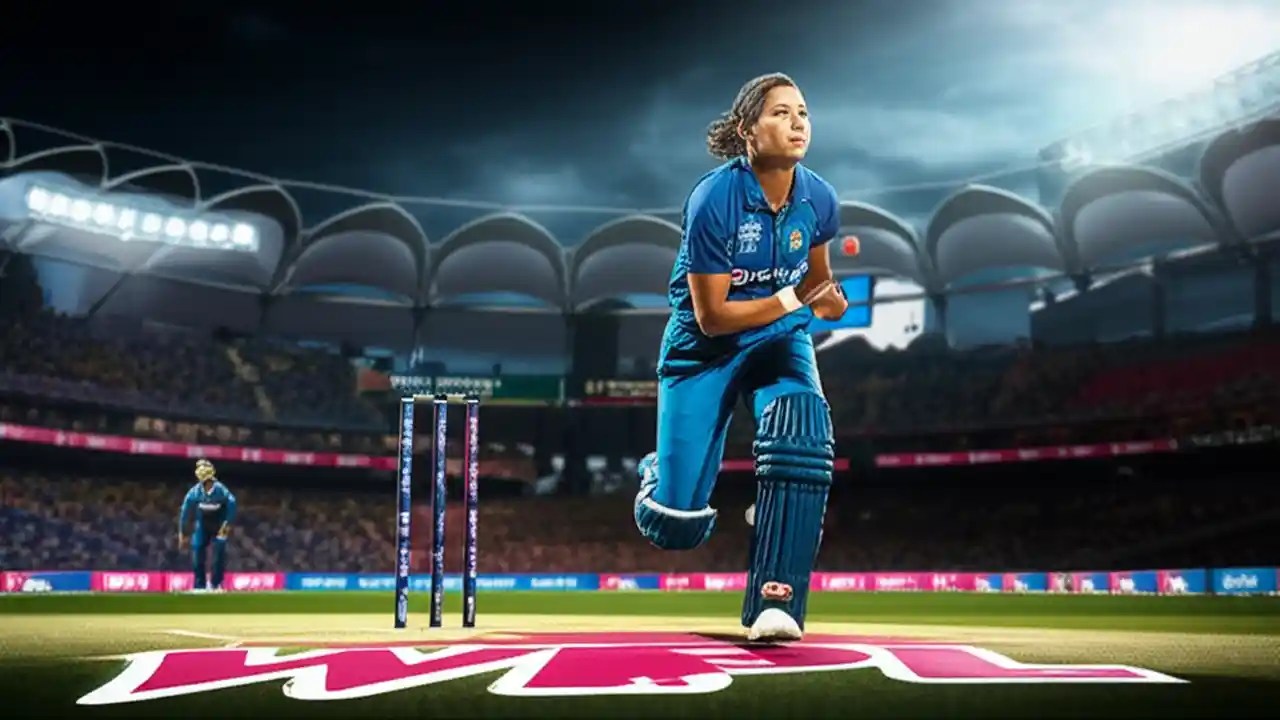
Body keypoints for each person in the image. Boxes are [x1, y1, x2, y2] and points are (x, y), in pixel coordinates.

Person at [633, 72, 851, 642]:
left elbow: (820, 283)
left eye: (802, 111)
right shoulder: (714, 198)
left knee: (802, 428)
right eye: (780, 113)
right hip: (701, 351)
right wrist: (791, 298)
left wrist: (828, 303)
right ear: (746, 131)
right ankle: (660, 476)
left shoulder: (820, 198)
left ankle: (775, 601)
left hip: (781, 341)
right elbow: (713, 316)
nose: (798, 121)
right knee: (675, 526)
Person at [178, 458, 237, 591]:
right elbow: (184, 513)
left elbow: (232, 504)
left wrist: (226, 525)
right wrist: (182, 533)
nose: (208, 485)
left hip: (219, 525)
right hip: (202, 525)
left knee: (219, 551)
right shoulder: (194, 493)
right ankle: (199, 585)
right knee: (197, 549)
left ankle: (216, 584)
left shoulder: (221, 491)